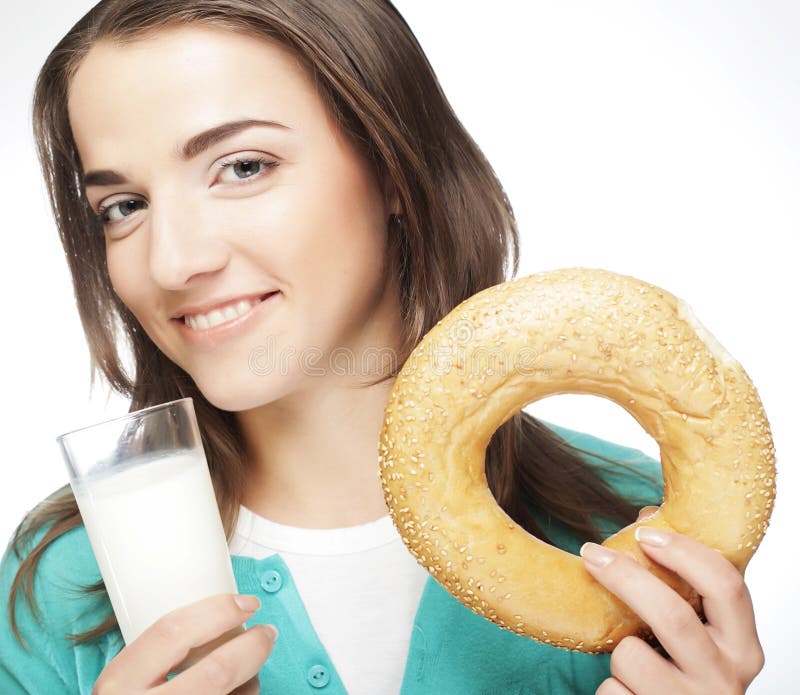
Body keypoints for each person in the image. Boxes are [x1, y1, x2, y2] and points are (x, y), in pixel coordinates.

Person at [0, 1, 765, 693]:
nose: (172, 262)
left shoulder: (641, 536)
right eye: (123, 205)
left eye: (243, 167)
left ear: (394, 165)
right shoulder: (57, 584)